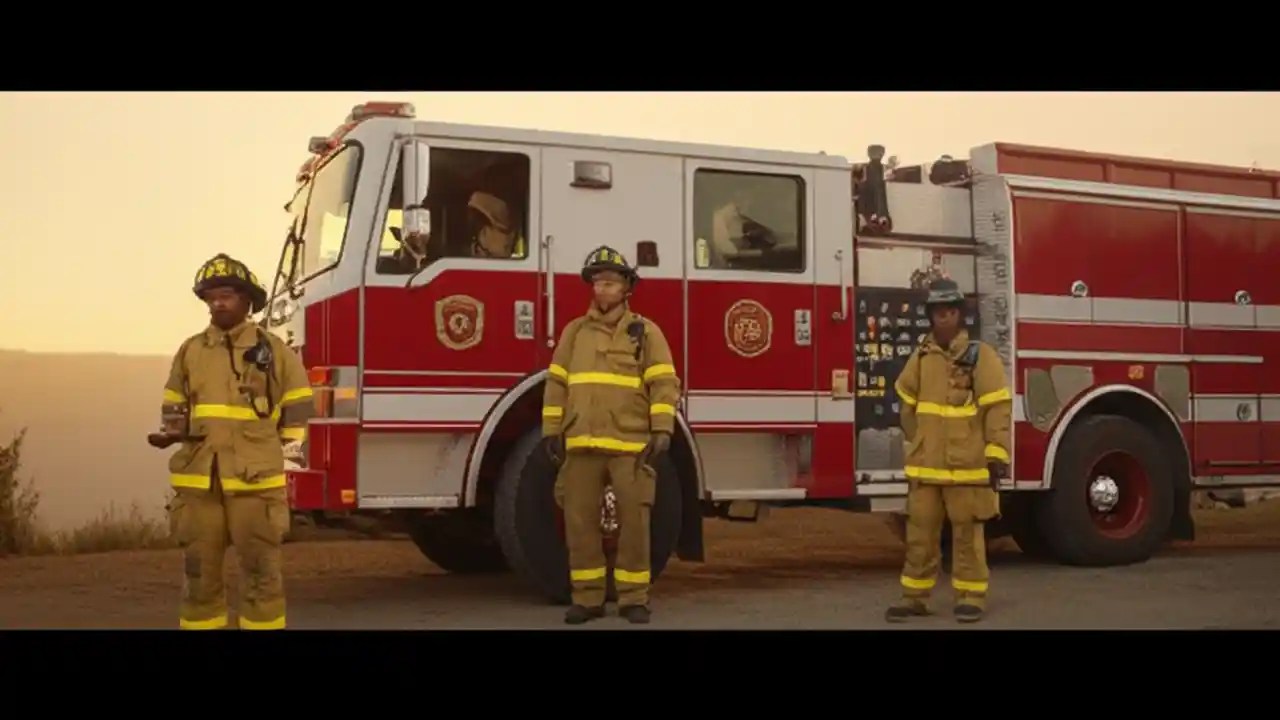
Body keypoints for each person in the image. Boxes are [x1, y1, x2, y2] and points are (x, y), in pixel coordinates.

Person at [153, 253, 314, 630]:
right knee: (199, 578)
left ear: (246, 300)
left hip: (256, 483)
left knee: (261, 576)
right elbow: (173, 401)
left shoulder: (273, 351)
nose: (218, 303)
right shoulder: (190, 350)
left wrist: (285, 458)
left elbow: (299, 405)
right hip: (199, 483)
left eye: (226, 295)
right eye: (211, 297)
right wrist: (172, 431)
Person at [540, 245, 681, 625]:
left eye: (611, 282)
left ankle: (634, 598)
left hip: (630, 446)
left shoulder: (645, 333)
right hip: (581, 444)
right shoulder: (574, 333)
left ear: (626, 288)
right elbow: (556, 384)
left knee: (634, 526)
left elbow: (664, 383)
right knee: (580, 525)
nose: (603, 289)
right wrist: (552, 430)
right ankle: (587, 599)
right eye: (599, 282)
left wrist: (663, 430)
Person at [886, 277, 1011, 624]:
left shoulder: (979, 357)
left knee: (967, 535)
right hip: (926, 470)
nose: (945, 318)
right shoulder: (922, 357)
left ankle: (971, 596)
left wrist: (996, 453)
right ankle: (914, 597)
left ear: (961, 316)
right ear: (930, 316)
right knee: (919, 536)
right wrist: (921, 440)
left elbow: (997, 407)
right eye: (939, 312)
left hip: (967, 469)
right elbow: (906, 402)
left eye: (951, 311)